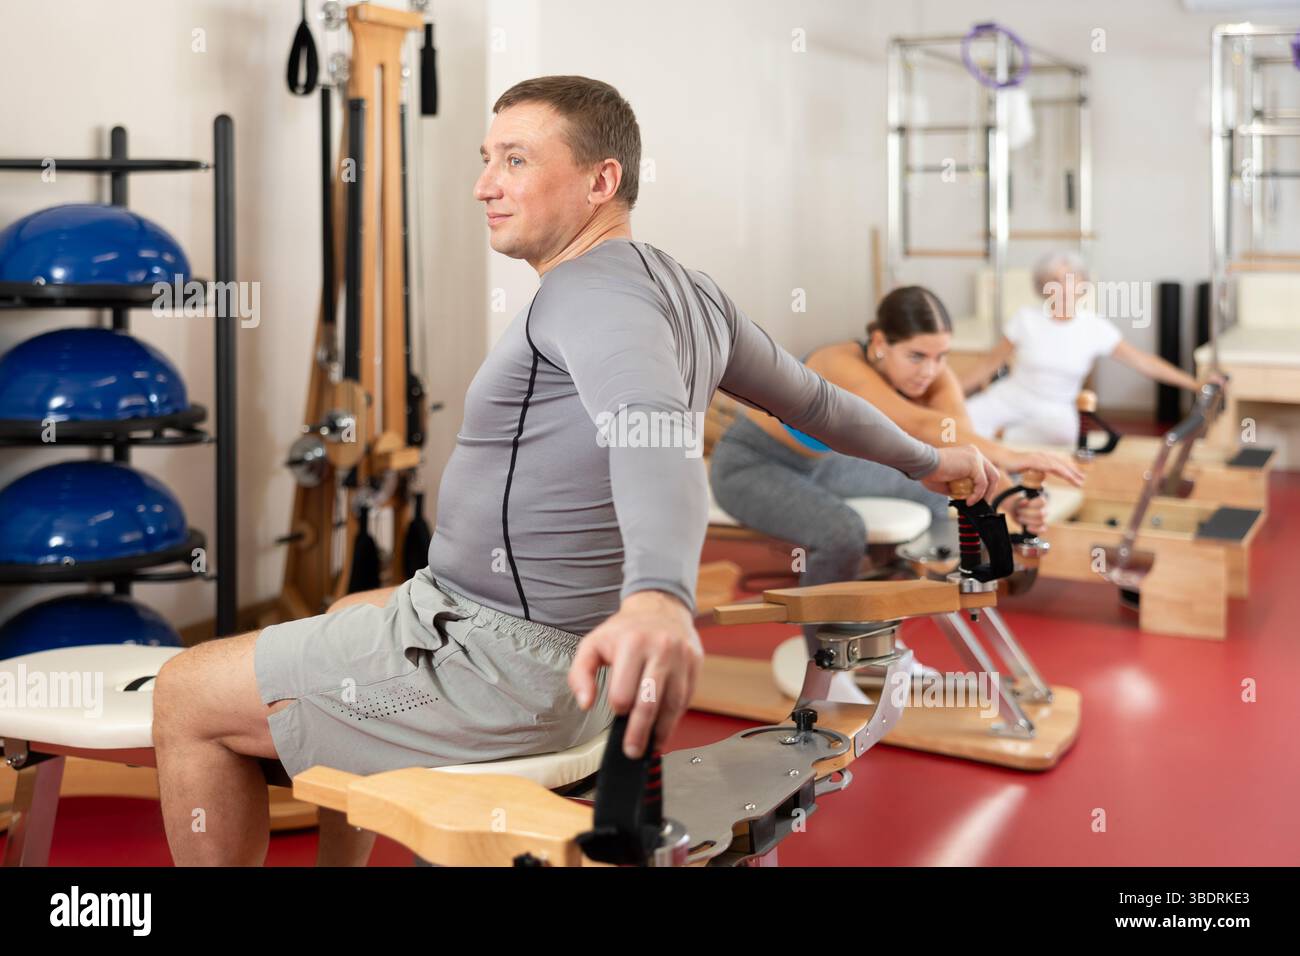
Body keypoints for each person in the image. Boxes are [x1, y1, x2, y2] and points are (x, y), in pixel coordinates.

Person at [149, 76, 997, 866]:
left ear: (602, 181)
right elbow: (818, 401)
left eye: (515, 160)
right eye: (487, 160)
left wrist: (662, 595)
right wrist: (935, 461)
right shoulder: (686, 288)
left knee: (185, 694)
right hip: (488, 627)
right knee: (348, 607)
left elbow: (654, 433)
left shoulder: (591, 294)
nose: (485, 183)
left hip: (497, 664)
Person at [710, 285, 1084, 658]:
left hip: (824, 467)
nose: (930, 371)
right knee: (841, 532)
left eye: (941, 357)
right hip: (753, 465)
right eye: (916, 356)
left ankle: (881, 640)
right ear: (879, 342)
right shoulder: (837, 362)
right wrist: (1012, 456)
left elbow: (962, 450)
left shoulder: (934, 375)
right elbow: (920, 424)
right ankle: (827, 661)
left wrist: (1010, 496)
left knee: (937, 491)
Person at [961, 251, 1223, 445]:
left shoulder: (1094, 327)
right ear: (1043, 287)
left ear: (1082, 286)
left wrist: (1195, 384)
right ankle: (999, 436)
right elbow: (987, 365)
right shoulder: (1026, 319)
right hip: (1011, 397)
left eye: (1070, 280)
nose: (1063, 288)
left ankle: (1003, 435)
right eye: (1054, 280)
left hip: (1056, 407)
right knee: (959, 421)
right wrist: (946, 393)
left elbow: (1144, 362)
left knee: (1064, 435)